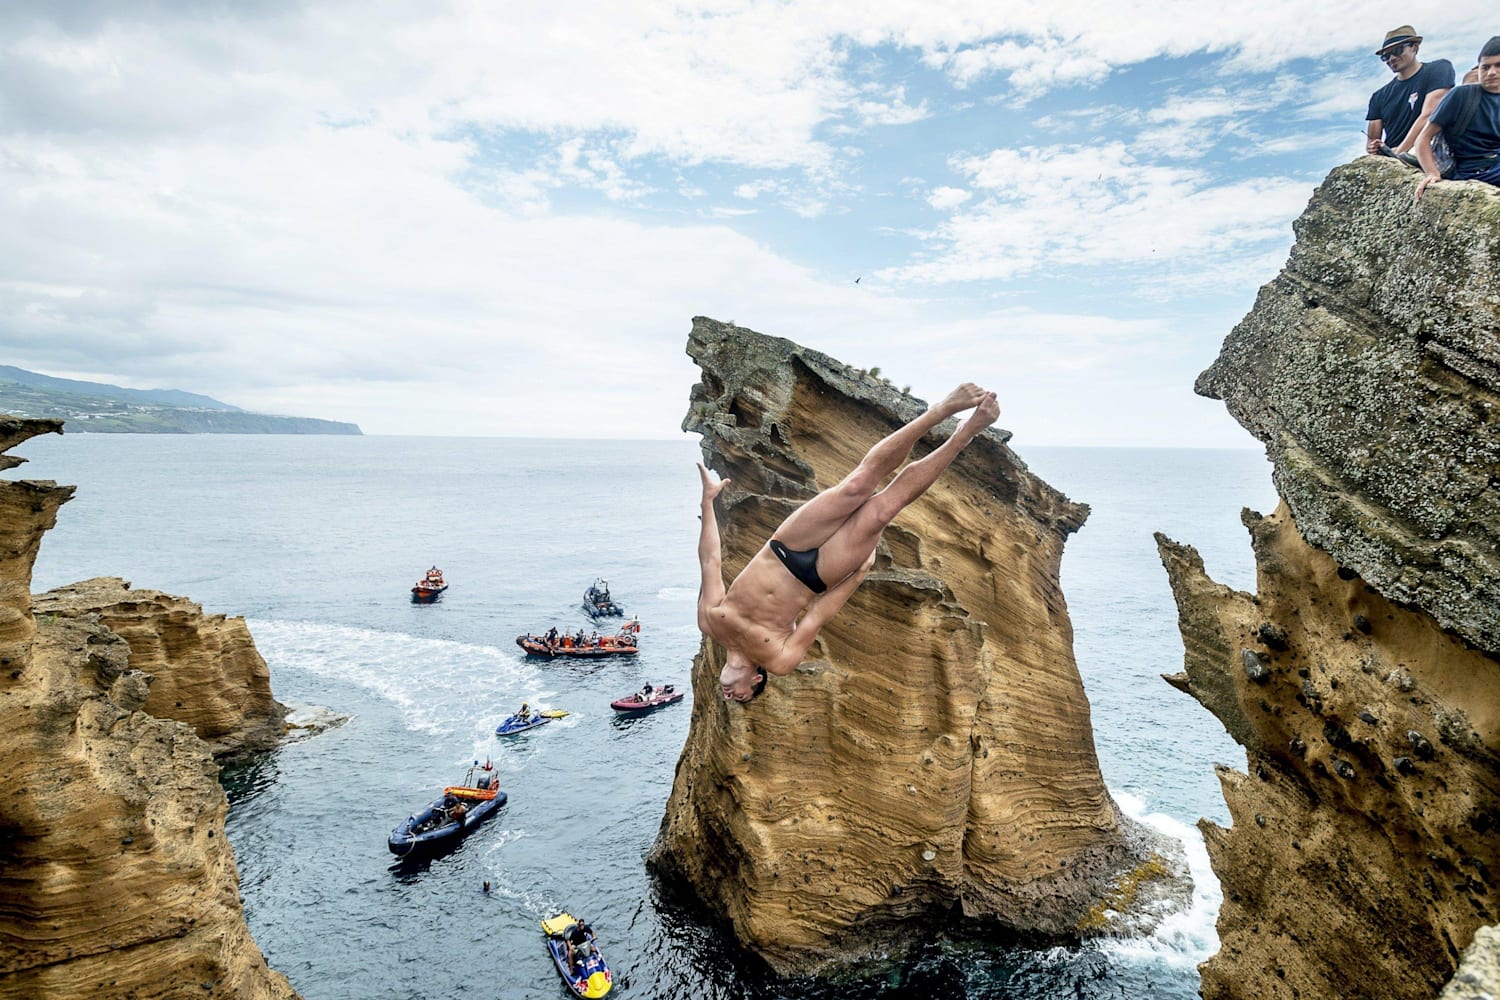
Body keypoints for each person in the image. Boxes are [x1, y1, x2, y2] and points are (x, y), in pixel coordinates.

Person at [698, 383, 1000, 703]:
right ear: (757, 680)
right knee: (884, 509)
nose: (731, 696)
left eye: (733, 698)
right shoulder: (779, 660)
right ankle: (965, 434)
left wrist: (708, 503)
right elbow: (818, 615)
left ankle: (942, 409)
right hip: (818, 575)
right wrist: (856, 576)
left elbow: (710, 561)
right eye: (743, 697)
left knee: (856, 485)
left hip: (783, 548)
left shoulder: (710, 623)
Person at [1415, 37, 1500, 200]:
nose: (1491, 72)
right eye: (1486, 67)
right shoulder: (1462, 95)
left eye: (1498, 66)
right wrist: (1432, 173)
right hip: (1470, 171)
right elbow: (1423, 139)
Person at [1366, 25, 1454, 163]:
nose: (1392, 58)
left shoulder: (1438, 69)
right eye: (1386, 56)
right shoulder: (1379, 96)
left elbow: (1430, 114)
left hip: (1430, 148)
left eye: (1397, 50)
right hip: (1394, 157)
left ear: (1415, 47)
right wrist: (1374, 148)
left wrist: (1400, 152)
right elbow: (1372, 140)